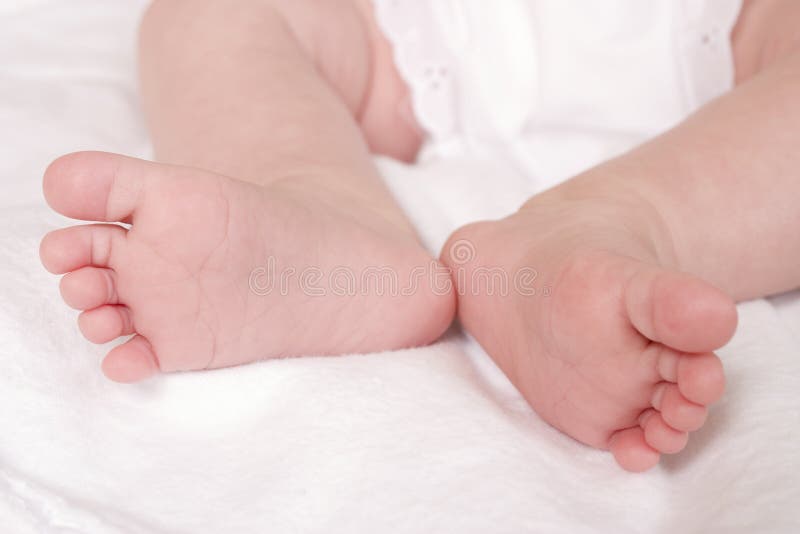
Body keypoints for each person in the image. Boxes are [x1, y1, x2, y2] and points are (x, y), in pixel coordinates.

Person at [39, 0, 800, 471]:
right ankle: (322, 212)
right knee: (209, 13)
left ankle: (616, 223)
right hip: (441, 34)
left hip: (739, 28)